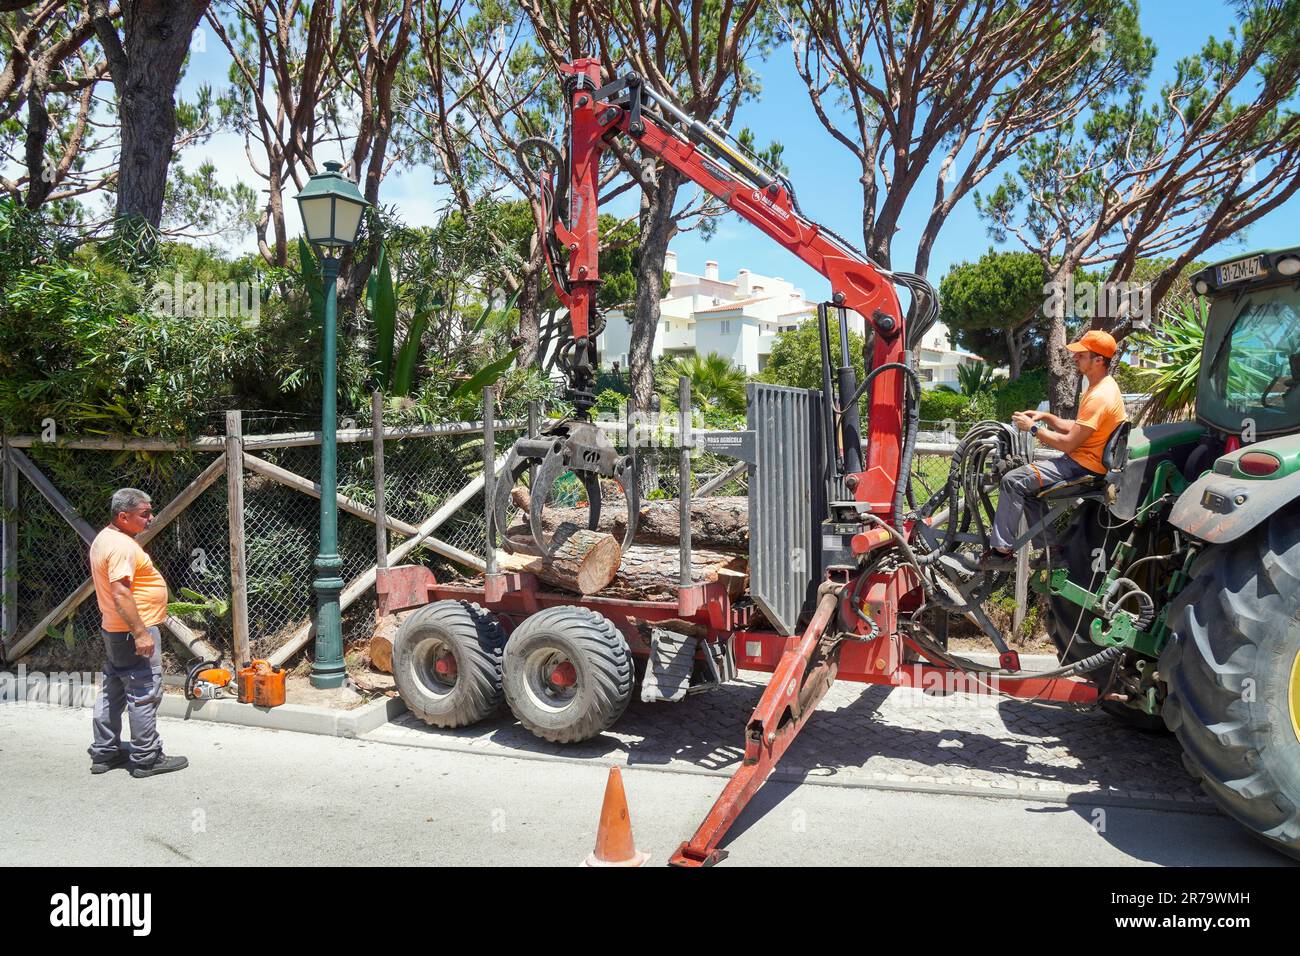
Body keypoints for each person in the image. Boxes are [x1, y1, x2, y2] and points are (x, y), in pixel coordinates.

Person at [977, 330, 1127, 571]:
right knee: (1028, 489)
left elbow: (1069, 443)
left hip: (1081, 465)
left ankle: (1001, 552)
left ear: (1098, 360)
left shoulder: (1100, 395)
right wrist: (1046, 417)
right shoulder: (1103, 386)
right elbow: (1079, 428)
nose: (1075, 358)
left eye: (1082, 354)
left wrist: (1033, 429)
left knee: (1013, 480)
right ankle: (1051, 552)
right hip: (1084, 461)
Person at [87, 488, 188, 777]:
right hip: (131, 633)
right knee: (143, 692)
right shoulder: (120, 546)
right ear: (123, 516)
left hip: (114, 630)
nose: (150, 518)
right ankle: (147, 757)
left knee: (113, 689)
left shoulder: (105, 539)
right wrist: (141, 633)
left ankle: (105, 752)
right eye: (144, 514)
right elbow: (120, 593)